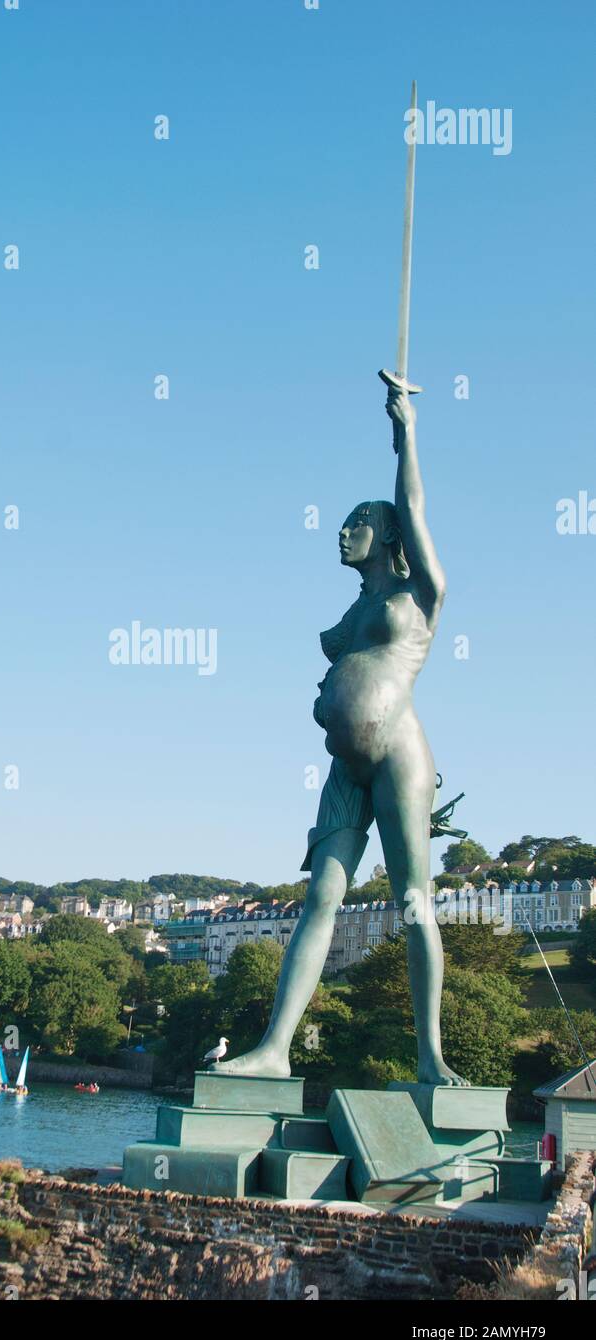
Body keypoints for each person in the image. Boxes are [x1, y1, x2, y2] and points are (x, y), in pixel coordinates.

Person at [214, 380, 468, 1088]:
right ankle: (274, 1049)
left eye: (357, 520)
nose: (342, 529)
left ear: (386, 537)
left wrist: (406, 432)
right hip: (343, 771)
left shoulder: (419, 595)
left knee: (413, 901)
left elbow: (413, 505)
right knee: (320, 898)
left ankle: (430, 1057)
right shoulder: (354, 610)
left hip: (399, 758)